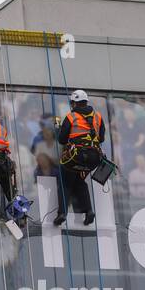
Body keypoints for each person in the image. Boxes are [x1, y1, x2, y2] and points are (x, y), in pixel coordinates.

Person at [55, 89, 106, 226]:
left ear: (74, 103)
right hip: (94, 157)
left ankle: (62, 213)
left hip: (77, 156)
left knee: (65, 181)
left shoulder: (71, 117)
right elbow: (101, 138)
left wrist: (58, 129)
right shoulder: (98, 116)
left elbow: (62, 139)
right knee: (79, 181)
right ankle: (89, 211)